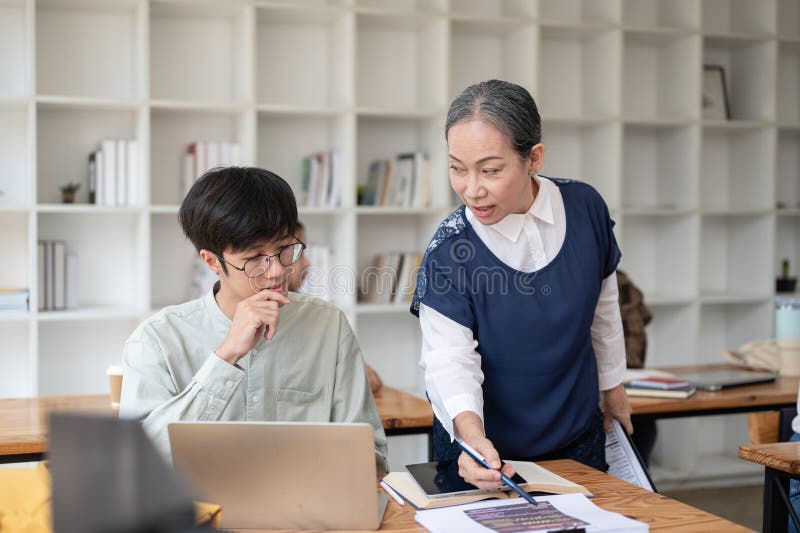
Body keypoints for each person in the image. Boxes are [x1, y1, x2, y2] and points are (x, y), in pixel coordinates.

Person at [410, 80, 632, 489]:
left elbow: (603, 307)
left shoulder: (586, 209)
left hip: (576, 437)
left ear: (534, 158)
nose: (471, 189)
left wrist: (613, 387)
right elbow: (449, 359)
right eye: (457, 168)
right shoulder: (449, 249)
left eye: (490, 170)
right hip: (484, 454)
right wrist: (473, 438)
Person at [120, 167, 387, 469]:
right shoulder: (157, 339)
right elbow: (140, 462)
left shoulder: (328, 325)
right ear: (212, 261)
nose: (276, 270)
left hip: (305, 510)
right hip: (197, 511)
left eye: (285, 249)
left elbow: (372, 456)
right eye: (255, 258)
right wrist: (226, 356)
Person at [289, 221, 383, 393]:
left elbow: (365, 377)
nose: (307, 263)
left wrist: (351, 367)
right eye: (297, 254)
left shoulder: (315, 315)